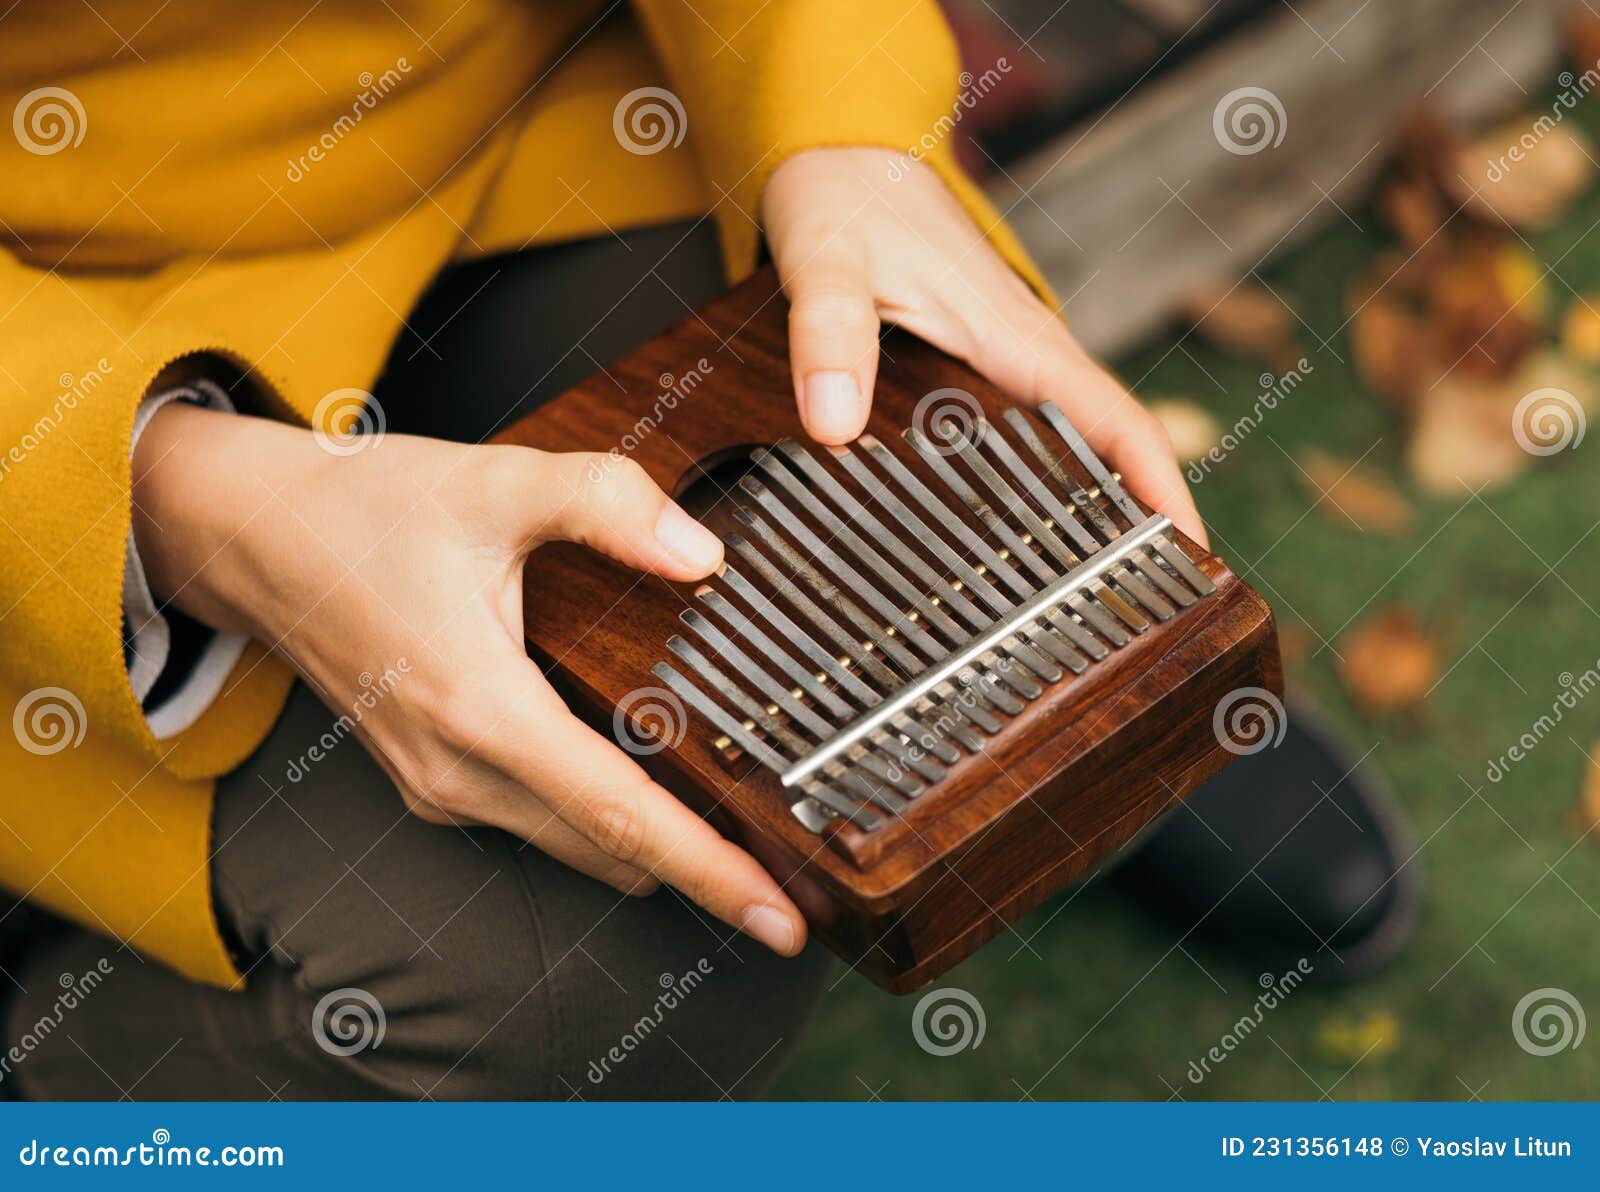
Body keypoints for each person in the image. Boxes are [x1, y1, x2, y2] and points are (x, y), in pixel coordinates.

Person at [0, 1, 1415, 1101]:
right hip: (59, 352)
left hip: (543, 119)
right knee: (582, 982)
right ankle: (72, 1055)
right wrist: (178, 498)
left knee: (936, 481)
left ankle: (1075, 745)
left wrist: (840, 125)